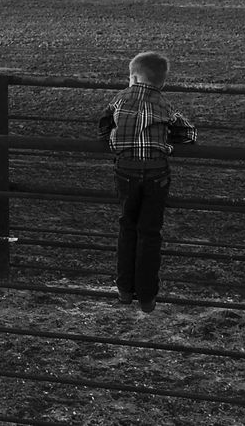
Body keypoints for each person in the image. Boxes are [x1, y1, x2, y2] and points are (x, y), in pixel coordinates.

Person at [98, 52, 197, 312]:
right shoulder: (165, 103)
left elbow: (103, 123)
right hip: (156, 172)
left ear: (132, 77)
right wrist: (167, 139)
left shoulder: (120, 98)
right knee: (150, 233)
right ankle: (147, 296)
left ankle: (123, 289)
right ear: (161, 82)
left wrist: (111, 138)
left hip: (126, 170)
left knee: (127, 226)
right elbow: (188, 132)